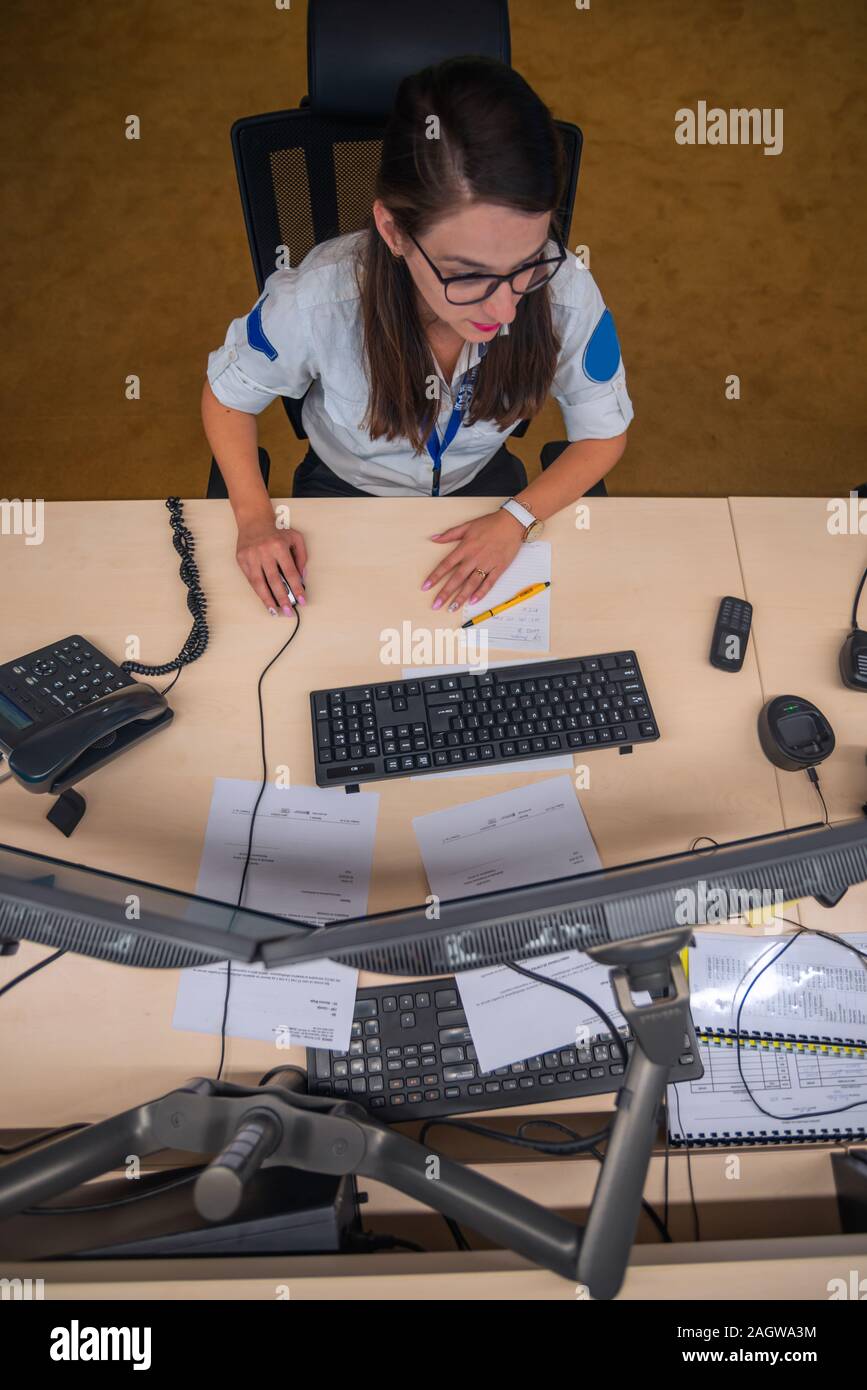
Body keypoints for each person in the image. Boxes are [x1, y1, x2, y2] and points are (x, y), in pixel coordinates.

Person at [202, 56, 633, 617]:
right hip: (344, 486)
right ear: (394, 232)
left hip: (485, 483)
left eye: (528, 263)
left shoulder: (568, 291)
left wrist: (516, 519)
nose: (506, 310)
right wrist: (255, 520)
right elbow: (228, 399)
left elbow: (603, 435)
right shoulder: (314, 300)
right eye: (469, 274)